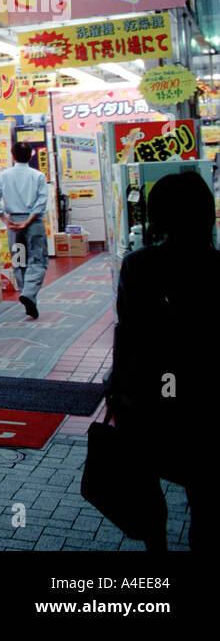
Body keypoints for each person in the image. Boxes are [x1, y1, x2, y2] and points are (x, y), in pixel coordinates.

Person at [106, 171, 216, 551]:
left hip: (150, 392)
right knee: (205, 494)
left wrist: (117, 385)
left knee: (147, 484)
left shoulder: (139, 265)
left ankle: (158, 551)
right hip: (205, 395)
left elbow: (129, 333)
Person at [0, 142, 48, 319]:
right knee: (38, 259)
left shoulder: (3, 176)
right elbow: (41, 201)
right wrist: (28, 220)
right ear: (31, 155)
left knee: (19, 259)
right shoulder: (38, 176)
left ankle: (26, 294)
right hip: (34, 221)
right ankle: (29, 294)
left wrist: (5, 220)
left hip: (13, 222)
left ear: (12, 156)